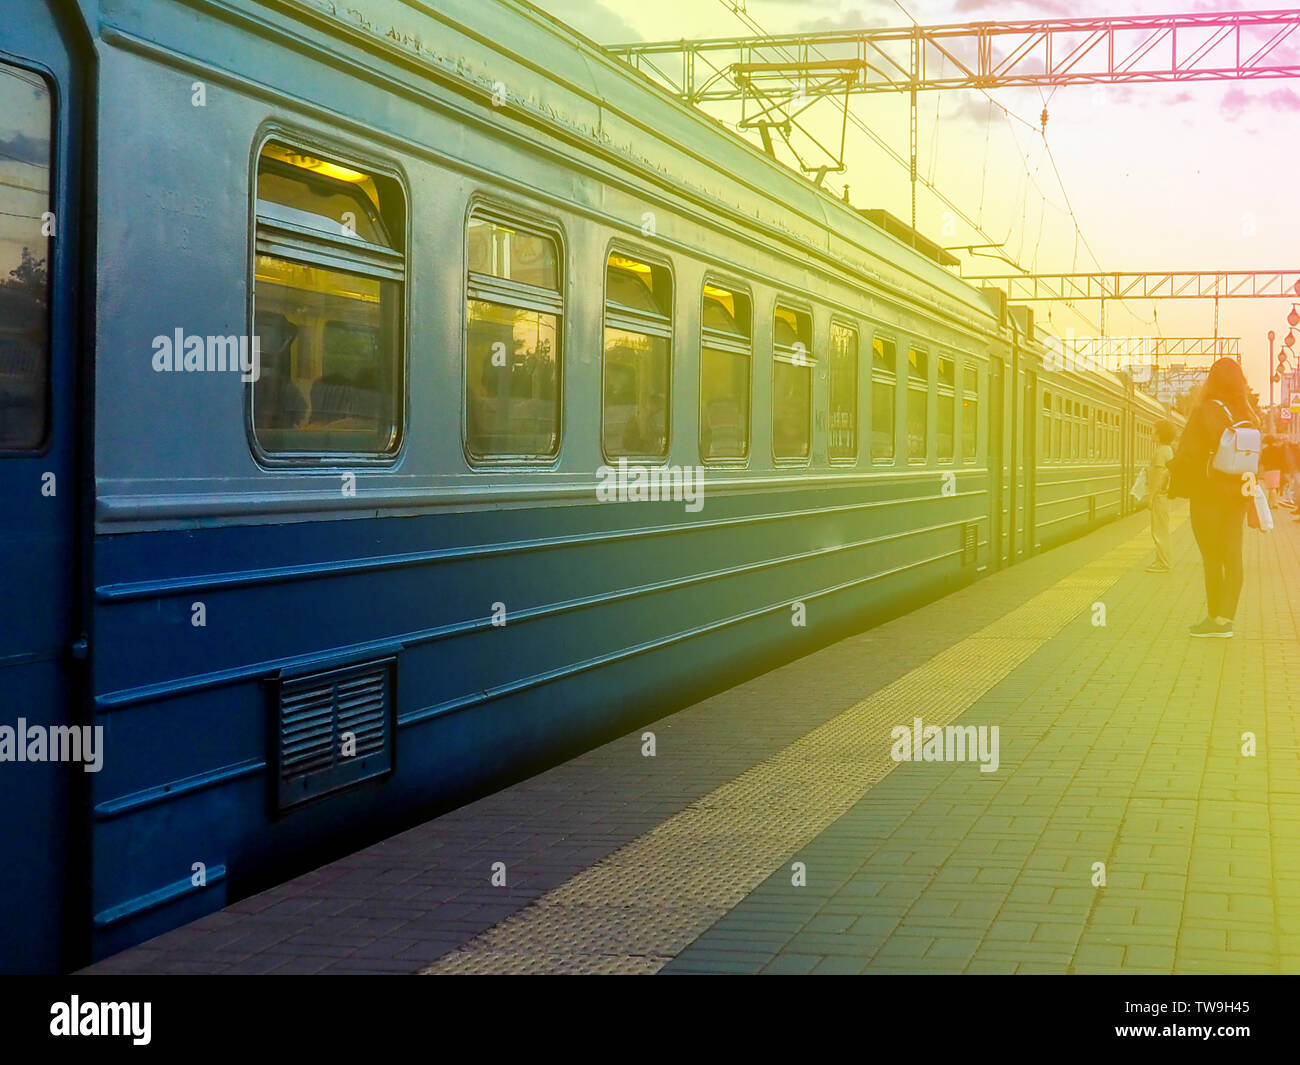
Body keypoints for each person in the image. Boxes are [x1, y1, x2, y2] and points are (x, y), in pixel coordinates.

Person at [1167, 357, 1261, 638]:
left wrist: (1170, 468)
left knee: (1211, 557)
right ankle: (1226, 621)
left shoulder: (1206, 411)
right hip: (1237, 495)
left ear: (1212, 381)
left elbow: (1188, 456)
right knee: (1233, 556)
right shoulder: (1249, 415)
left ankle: (1213, 619)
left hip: (1208, 495)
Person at [1146, 420, 1177, 573]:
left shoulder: (1161, 451)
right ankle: (1161, 560)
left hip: (1159, 496)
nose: (1151, 434)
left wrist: (1150, 496)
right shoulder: (1168, 449)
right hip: (1163, 495)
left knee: (1159, 530)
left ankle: (1164, 563)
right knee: (1161, 528)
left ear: (1160, 434)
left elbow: (1158, 475)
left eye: (1154, 430)